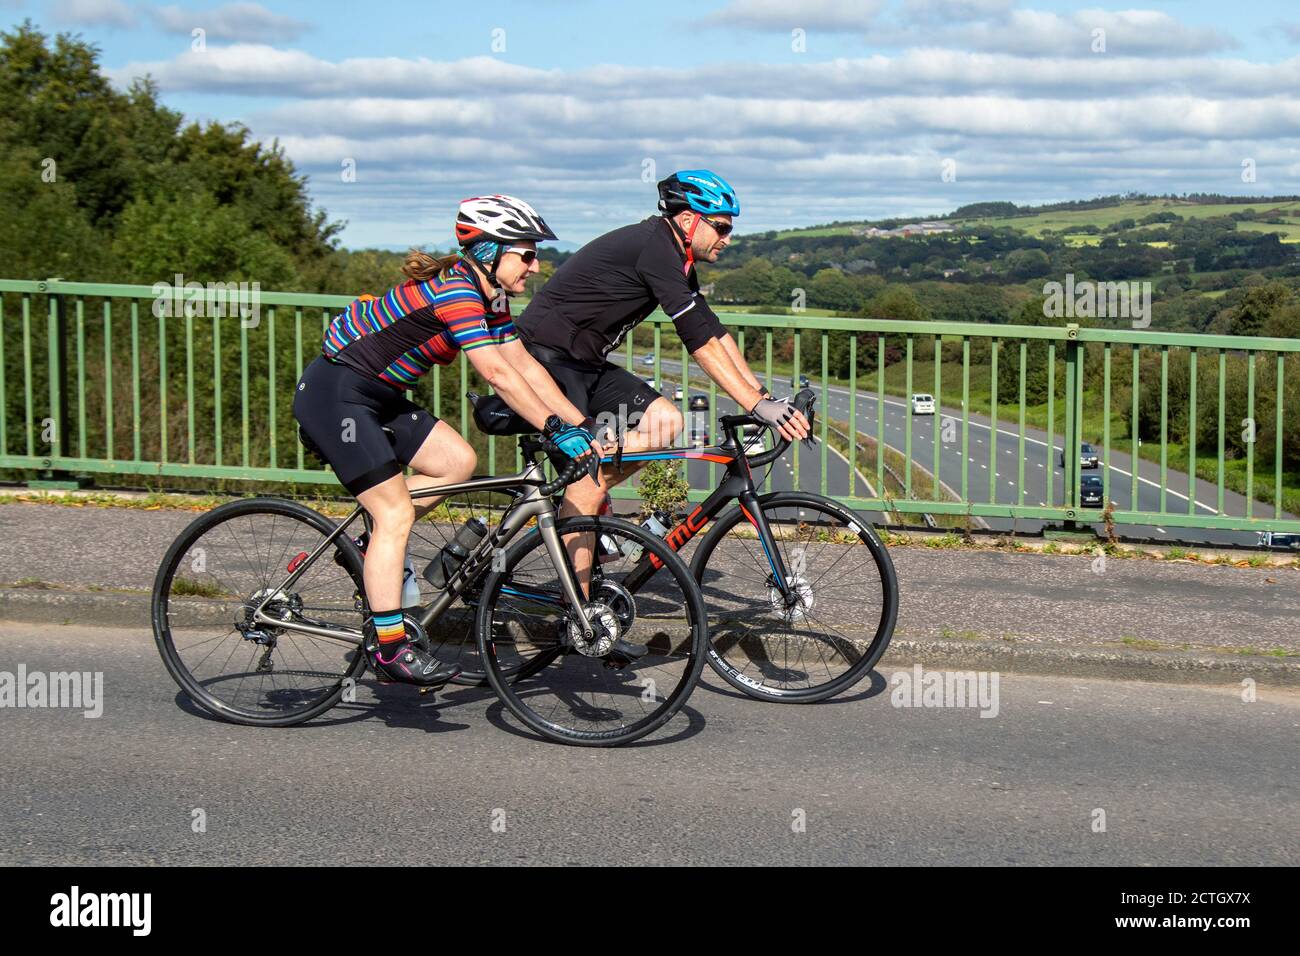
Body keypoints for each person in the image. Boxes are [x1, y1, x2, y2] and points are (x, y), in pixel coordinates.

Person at [293, 195, 600, 686]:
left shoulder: (490, 295)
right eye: (526, 253)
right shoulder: (457, 291)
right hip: (337, 394)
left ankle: (367, 546)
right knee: (394, 513)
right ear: (488, 252)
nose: (536, 265)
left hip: (381, 394)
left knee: (457, 462)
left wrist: (576, 423)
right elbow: (498, 373)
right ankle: (390, 648)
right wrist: (554, 430)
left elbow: (525, 365)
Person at [501, 169, 811, 582]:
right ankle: (581, 613)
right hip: (546, 361)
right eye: (720, 227)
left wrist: (762, 395)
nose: (727, 238)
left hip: (585, 364)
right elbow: (697, 341)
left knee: (666, 421)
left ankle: (587, 500)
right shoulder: (655, 248)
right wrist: (753, 404)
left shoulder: (675, 255)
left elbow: (713, 329)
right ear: (688, 220)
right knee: (587, 482)